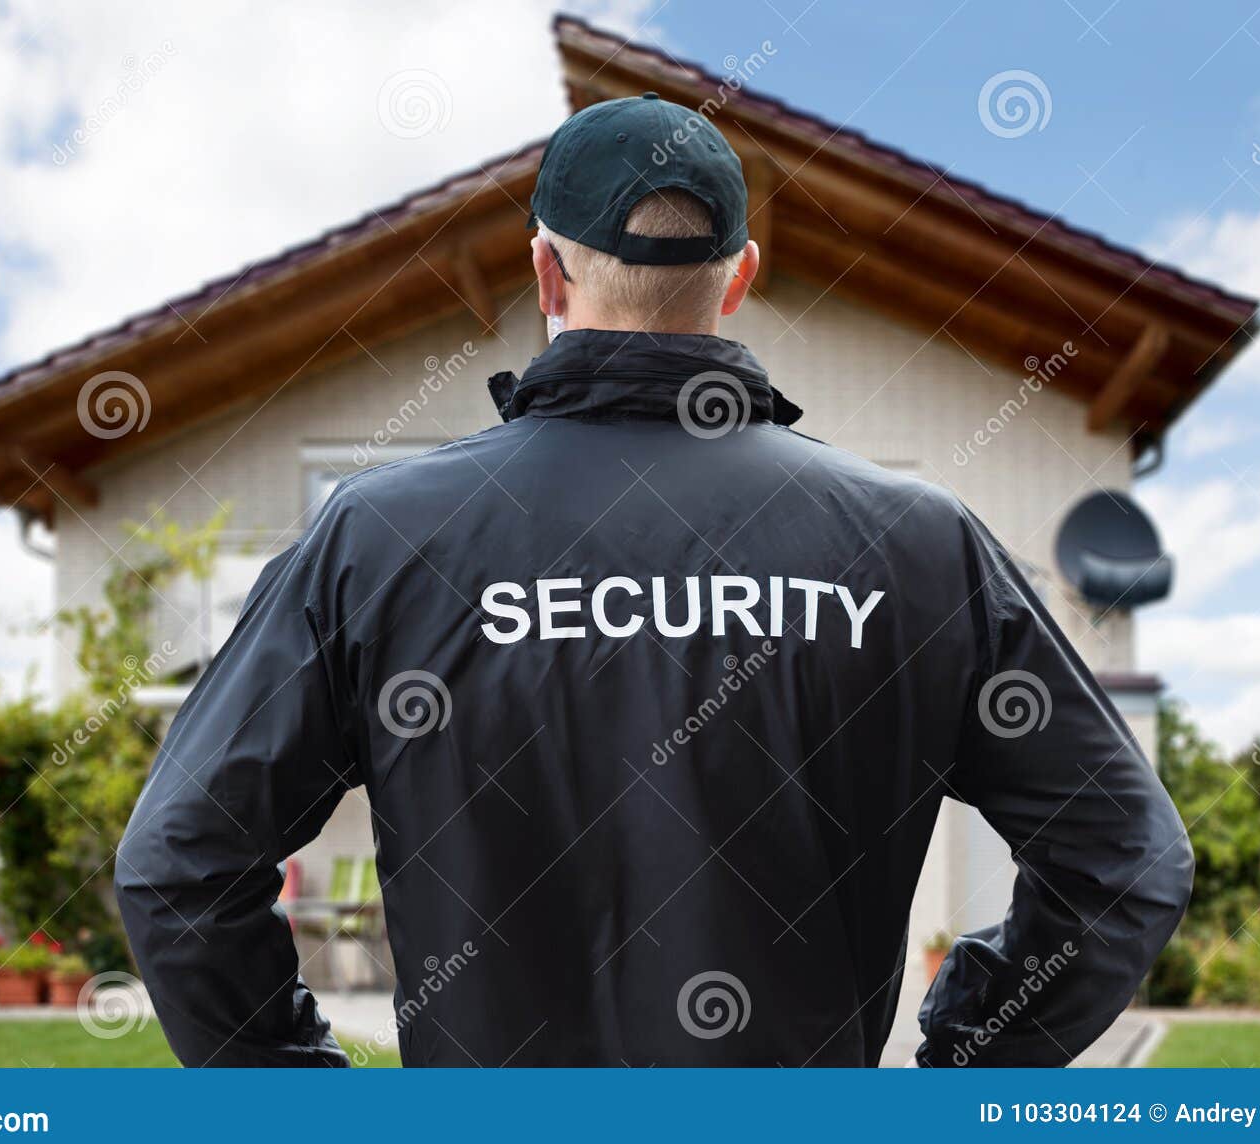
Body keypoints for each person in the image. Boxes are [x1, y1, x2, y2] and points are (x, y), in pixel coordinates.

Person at [116, 93, 1193, 1067]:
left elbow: (179, 868)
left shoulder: (376, 541)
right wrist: (965, 1063)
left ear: (544, 270)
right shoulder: (915, 545)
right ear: (739, 279)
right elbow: (1125, 861)